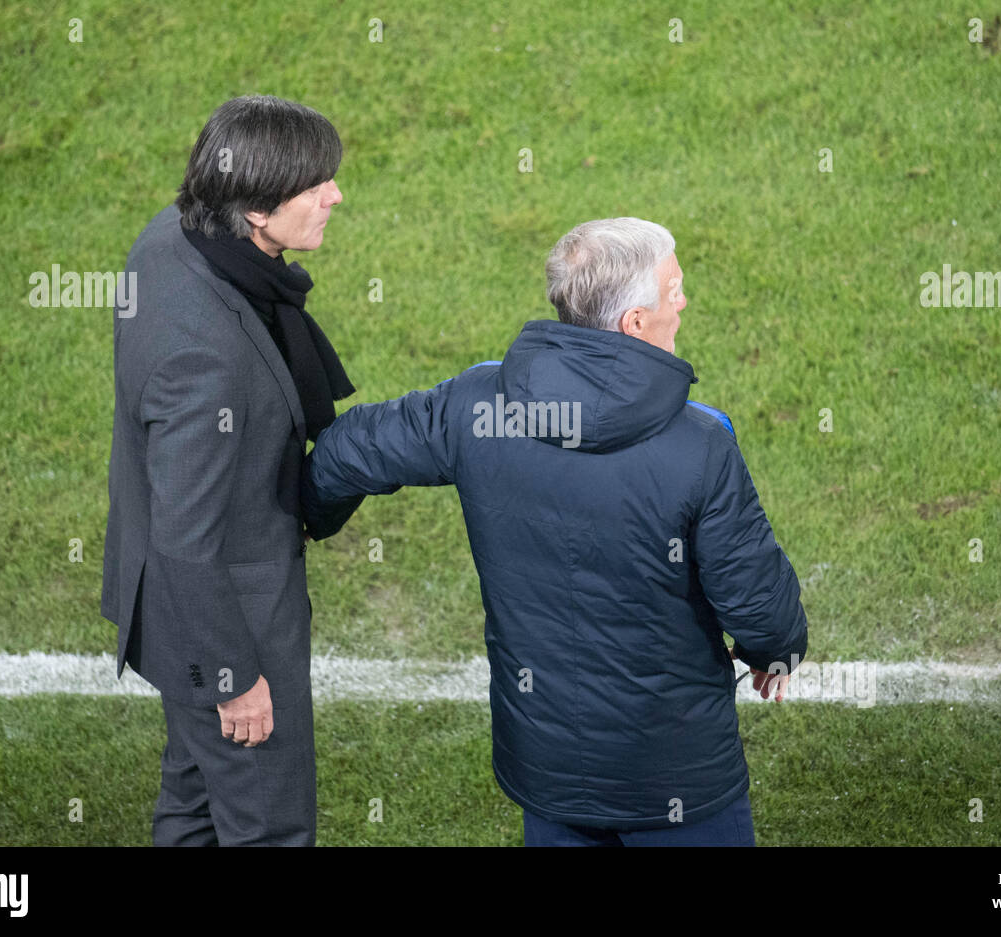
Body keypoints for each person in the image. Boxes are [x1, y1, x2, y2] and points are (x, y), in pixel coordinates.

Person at [302, 217, 808, 846]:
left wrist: (305, 516)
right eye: (673, 288)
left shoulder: (475, 407)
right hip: (676, 774)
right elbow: (755, 598)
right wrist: (774, 654)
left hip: (546, 767)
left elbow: (350, 450)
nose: (684, 300)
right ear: (634, 324)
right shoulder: (700, 444)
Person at [100, 95, 361, 845]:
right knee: (267, 826)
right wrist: (233, 679)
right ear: (254, 211)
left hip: (178, 617)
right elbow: (187, 538)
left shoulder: (172, 235)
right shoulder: (205, 361)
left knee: (195, 803)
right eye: (315, 185)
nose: (334, 195)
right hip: (227, 628)